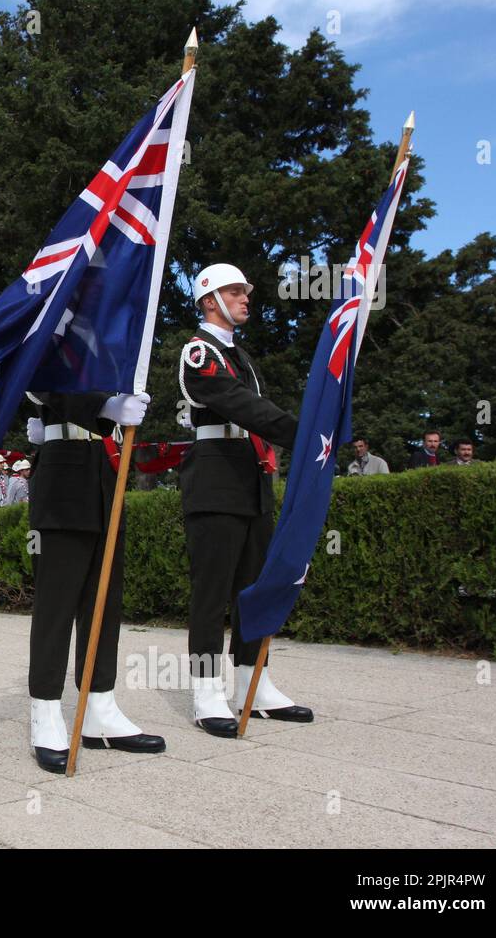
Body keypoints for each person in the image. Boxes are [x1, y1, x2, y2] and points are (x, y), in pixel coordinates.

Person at [178, 262, 312, 737]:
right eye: (236, 291)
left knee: (253, 590)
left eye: (246, 291)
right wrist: (305, 430)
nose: (245, 298)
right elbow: (241, 405)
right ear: (210, 299)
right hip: (215, 480)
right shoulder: (200, 352)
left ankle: (255, 682)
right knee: (211, 594)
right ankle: (207, 690)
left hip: (250, 480)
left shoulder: (242, 355)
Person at [25, 392, 164, 773]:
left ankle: (100, 705)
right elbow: (43, 377)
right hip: (62, 474)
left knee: (103, 601)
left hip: (104, 471)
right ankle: (45, 709)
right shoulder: (52, 333)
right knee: (56, 605)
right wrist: (105, 406)